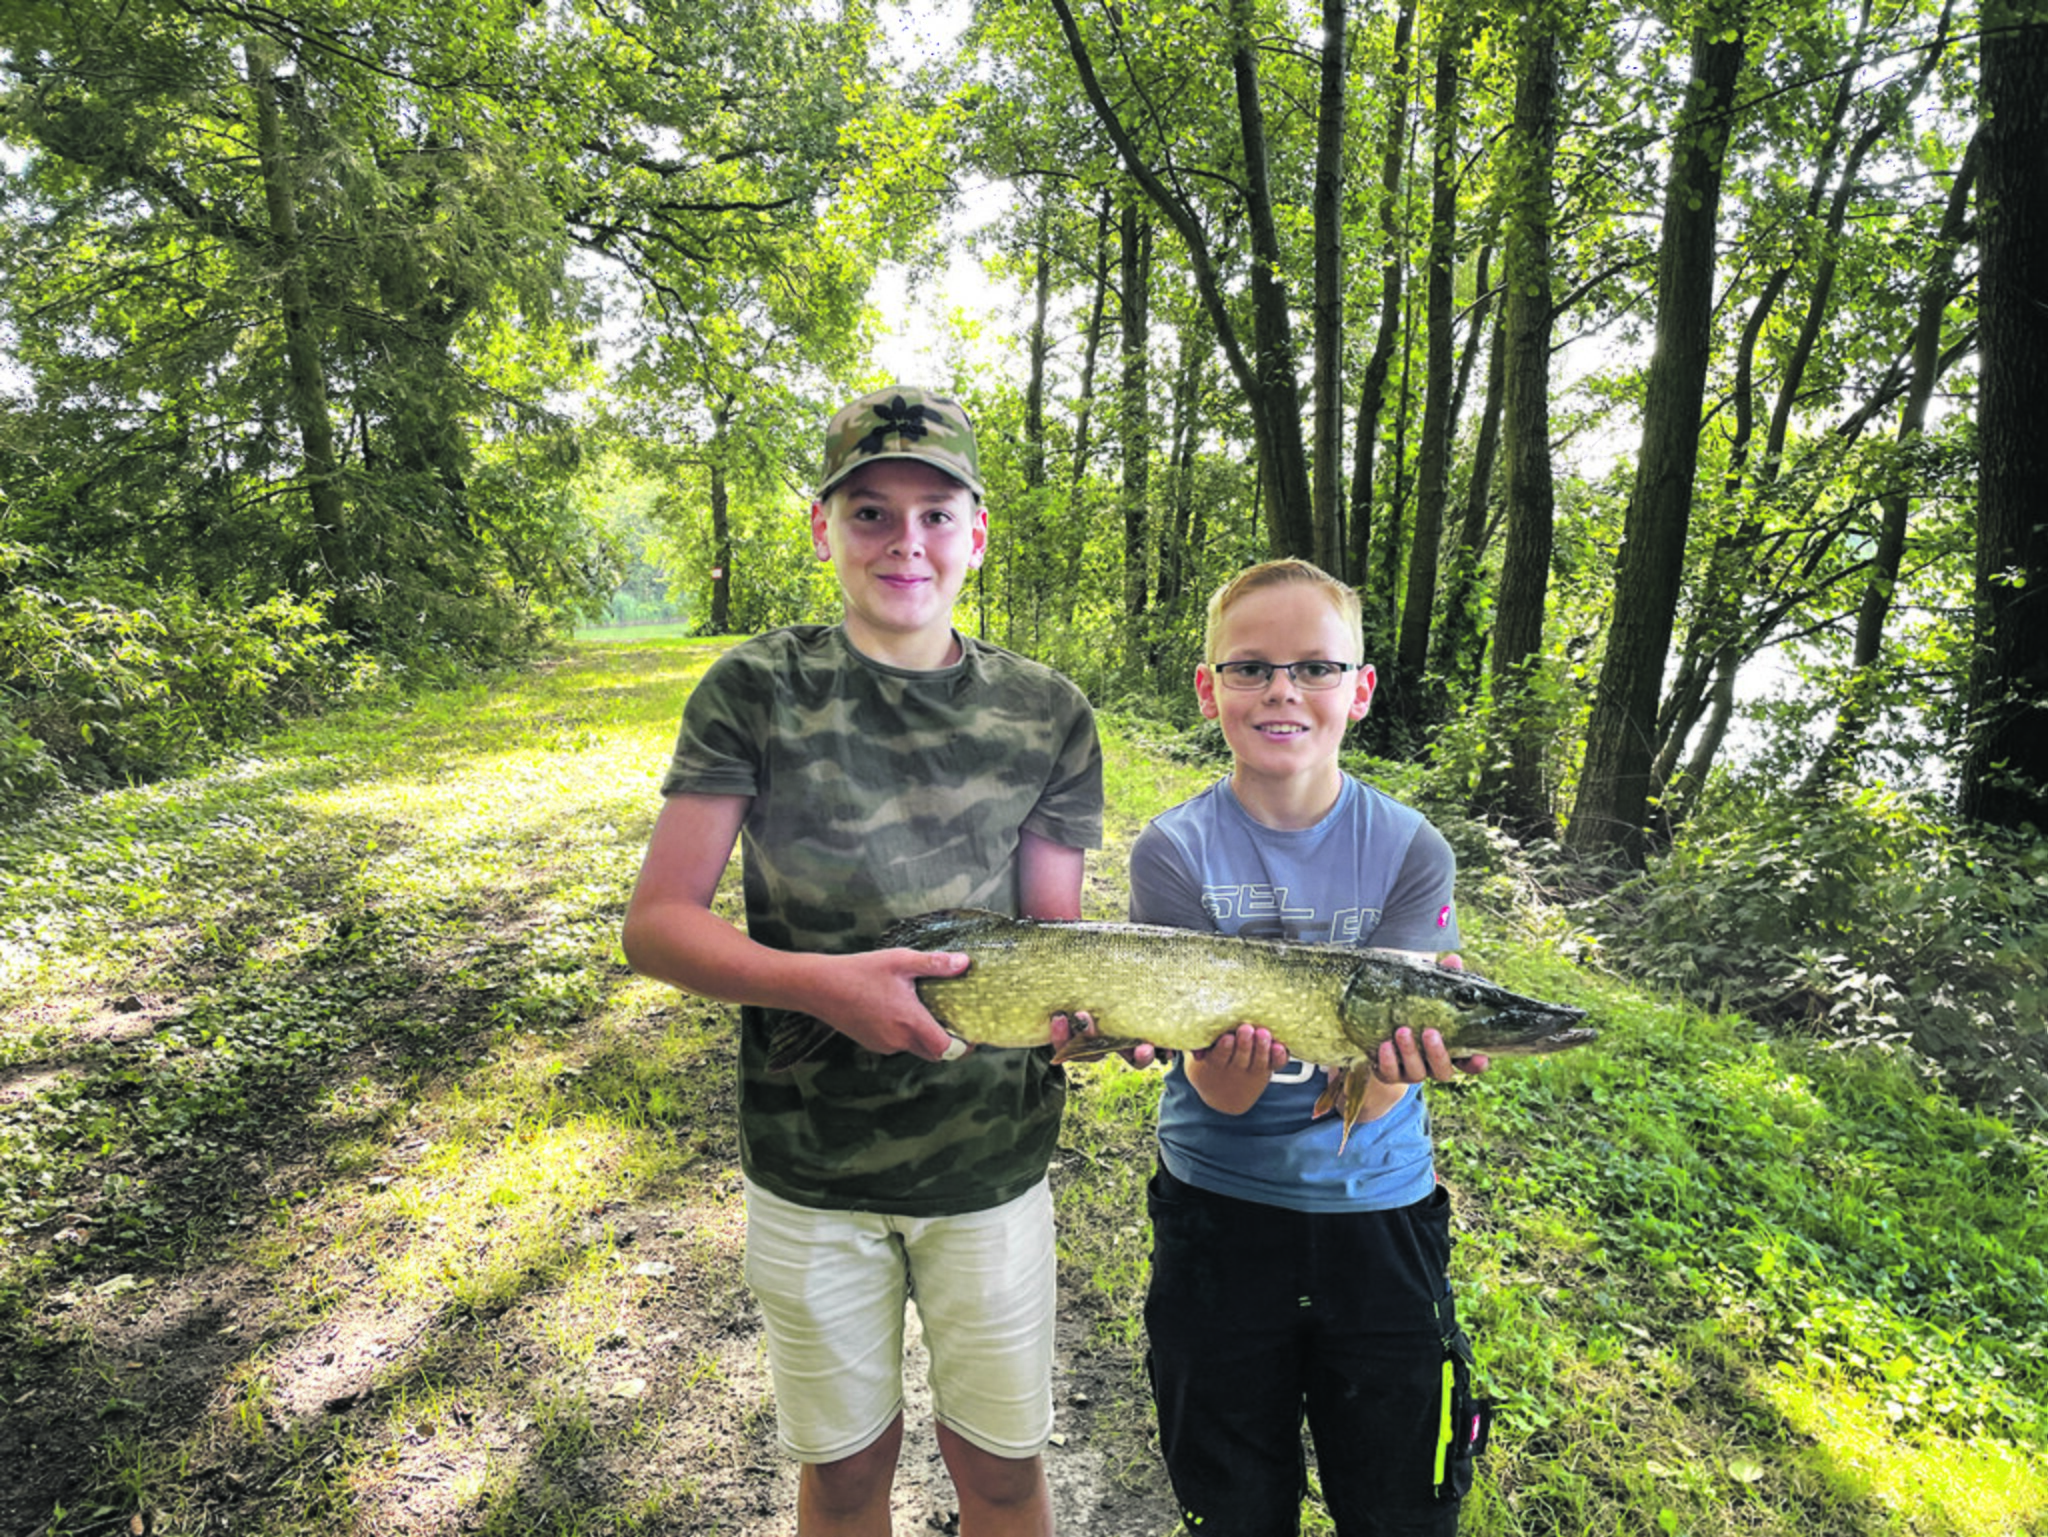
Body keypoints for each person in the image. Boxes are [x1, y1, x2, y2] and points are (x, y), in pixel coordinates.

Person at [620, 386, 1103, 1537]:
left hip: (988, 1167)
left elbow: (1053, 939)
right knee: (841, 1474)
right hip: (809, 1161)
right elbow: (657, 921)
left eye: (935, 513)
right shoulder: (755, 688)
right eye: (871, 513)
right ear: (821, 529)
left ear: (975, 534)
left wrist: (1090, 1015)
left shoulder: (1048, 712)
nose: (906, 543)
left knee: (999, 1470)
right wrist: (820, 988)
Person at [1126, 559, 1492, 1536]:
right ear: (1208, 691)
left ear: (1358, 690)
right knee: (1231, 1496)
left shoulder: (1412, 847)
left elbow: (1368, 1088)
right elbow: (1216, 1091)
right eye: (1249, 668)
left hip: (1377, 1220)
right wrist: (1221, 1066)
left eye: (1314, 667)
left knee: (1397, 1503)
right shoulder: (1172, 850)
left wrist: (1387, 1068)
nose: (1282, 689)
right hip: (1215, 1219)